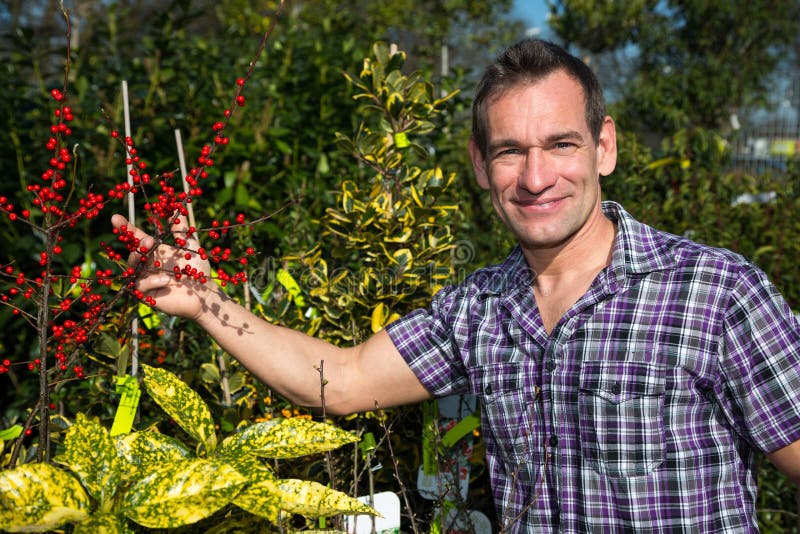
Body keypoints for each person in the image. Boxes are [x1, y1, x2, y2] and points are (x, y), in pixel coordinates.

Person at [113, 38, 800, 532]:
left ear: (605, 147)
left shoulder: (716, 295)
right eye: (510, 152)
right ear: (479, 164)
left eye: (560, 145)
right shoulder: (477, 307)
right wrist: (205, 302)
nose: (535, 178)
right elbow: (343, 380)